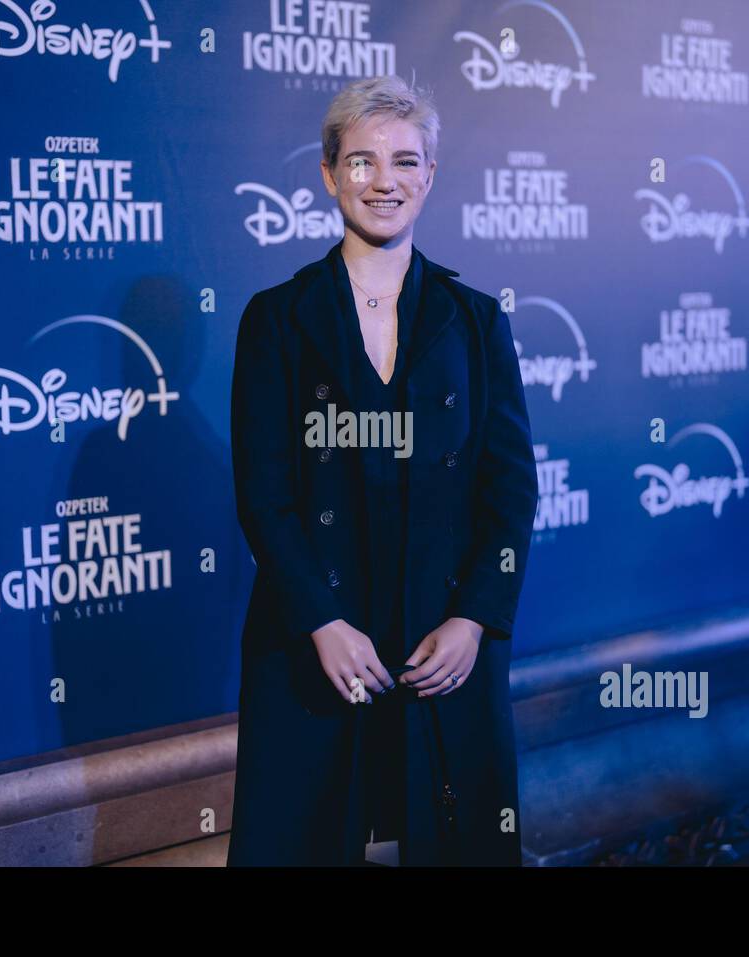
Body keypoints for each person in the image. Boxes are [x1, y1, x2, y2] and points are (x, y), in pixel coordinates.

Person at [227, 74, 539, 866]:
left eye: (405, 160)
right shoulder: (276, 319)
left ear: (430, 175)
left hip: (443, 638)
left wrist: (475, 618)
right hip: (316, 637)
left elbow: (510, 488)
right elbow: (265, 497)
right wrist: (320, 621)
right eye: (361, 161)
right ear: (329, 174)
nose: (384, 180)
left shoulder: (477, 321)